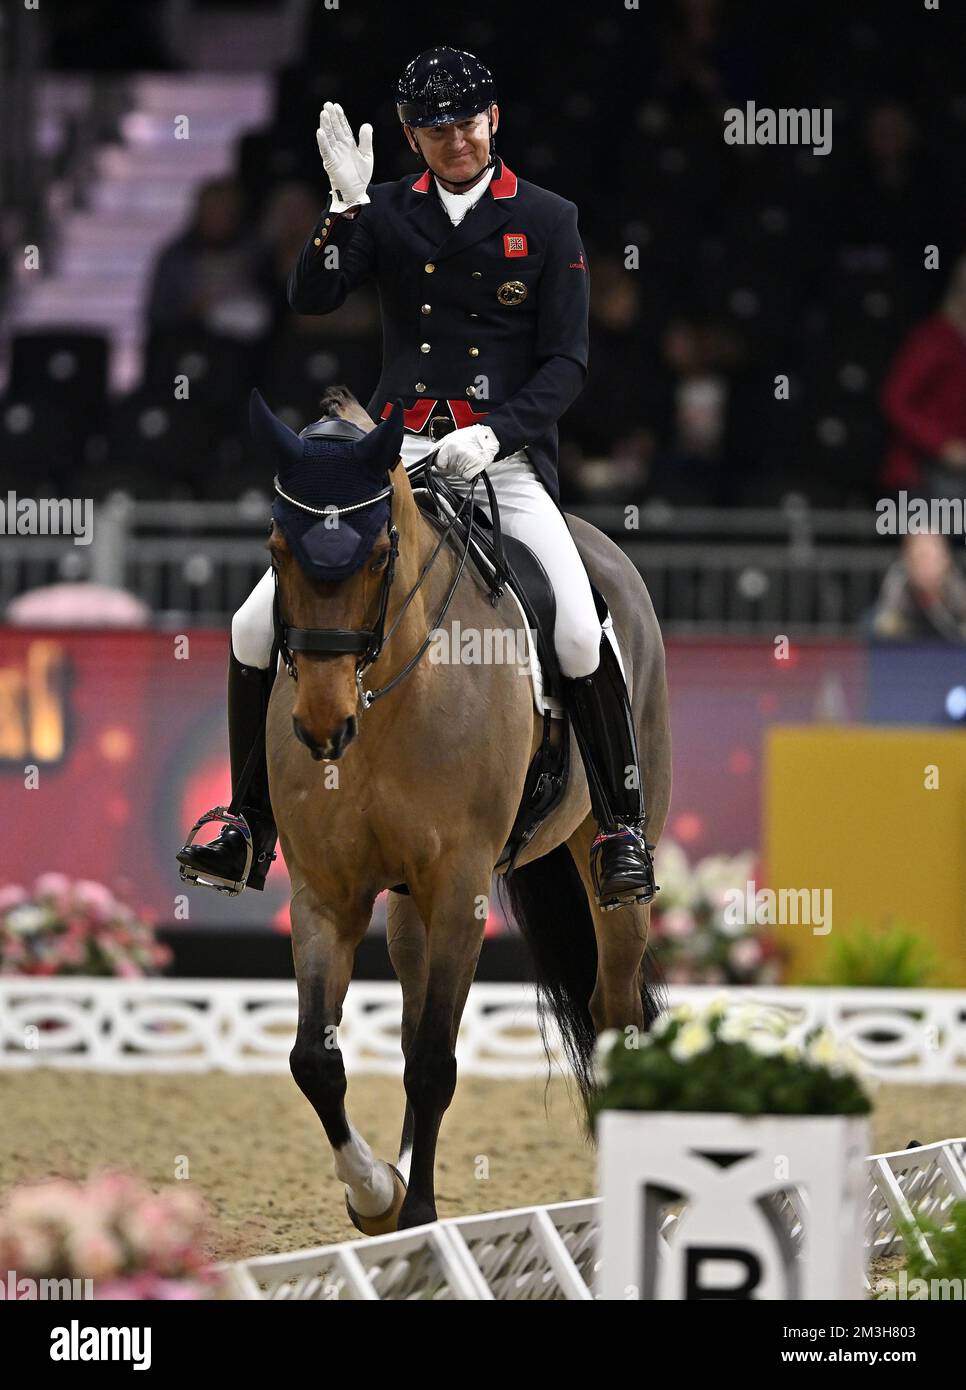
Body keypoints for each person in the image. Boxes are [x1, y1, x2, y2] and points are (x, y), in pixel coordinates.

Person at [177, 47, 656, 910]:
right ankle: (247, 822)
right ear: (411, 135)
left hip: (499, 463)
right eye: (436, 131)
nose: (456, 142)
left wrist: (495, 432)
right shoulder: (389, 211)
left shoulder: (547, 220)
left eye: (469, 124)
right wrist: (342, 211)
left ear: (495, 120)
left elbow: (567, 365)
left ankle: (620, 828)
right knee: (255, 620)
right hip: (391, 458)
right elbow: (312, 297)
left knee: (583, 630)